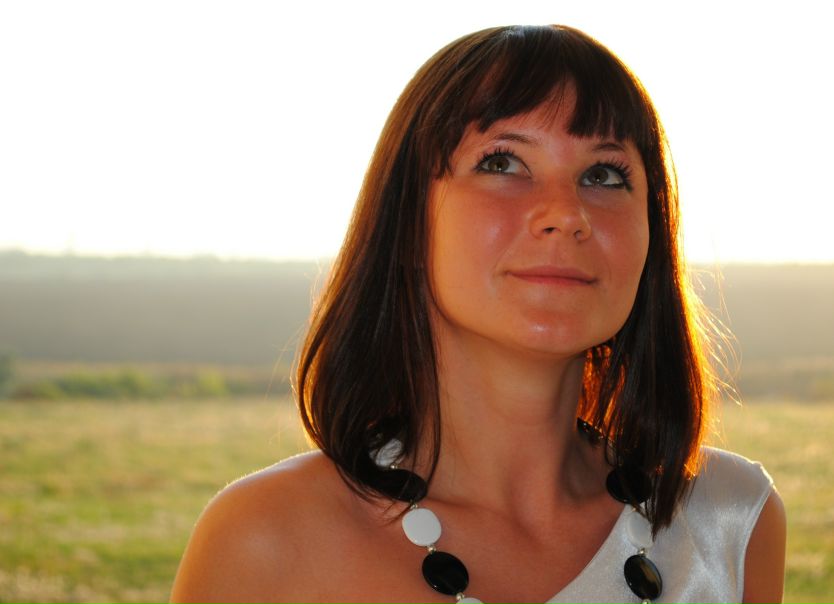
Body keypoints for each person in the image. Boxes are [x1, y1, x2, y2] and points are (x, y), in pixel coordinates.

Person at [170, 25, 786, 603]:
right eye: (502, 163)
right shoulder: (265, 541)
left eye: (603, 174)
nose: (565, 213)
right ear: (407, 222)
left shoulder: (731, 521)